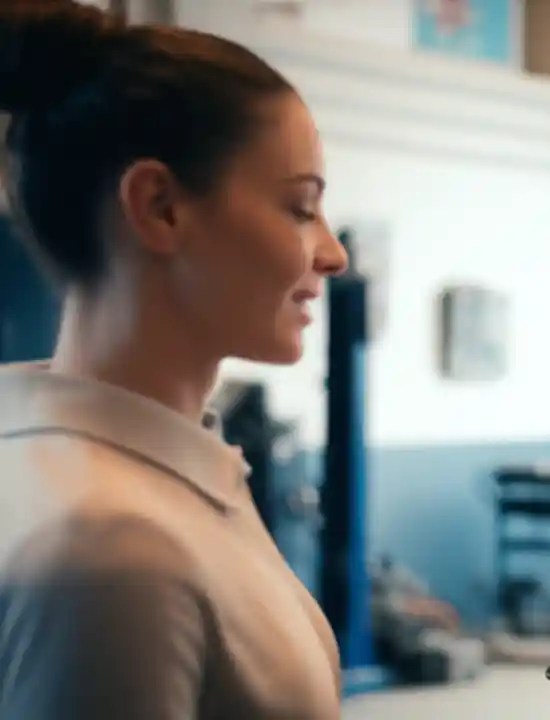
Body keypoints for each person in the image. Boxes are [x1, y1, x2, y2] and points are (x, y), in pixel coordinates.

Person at [0, 1, 349, 717]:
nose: (333, 253)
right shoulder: (113, 548)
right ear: (160, 207)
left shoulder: (142, 473)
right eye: (299, 206)